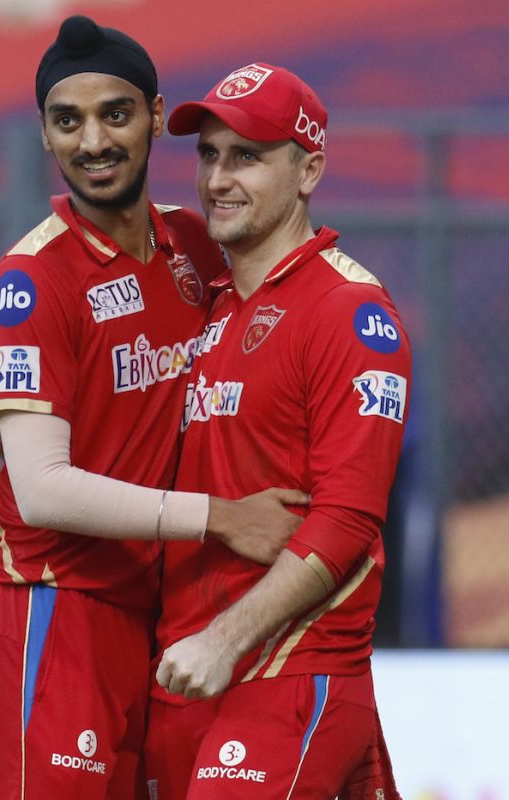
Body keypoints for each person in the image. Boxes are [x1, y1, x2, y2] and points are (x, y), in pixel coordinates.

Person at [0, 18, 306, 800]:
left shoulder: (195, 244)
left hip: (152, 620)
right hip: (50, 610)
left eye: (115, 113)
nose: (93, 140)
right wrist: (221, 516)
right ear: (44, 135)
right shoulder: (32, 277)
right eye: (67, 121)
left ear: (154, 114)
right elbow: (43, 491)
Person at [143, 64, 411, 799]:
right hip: (187, 672)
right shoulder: (206, 305)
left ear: (309, 170)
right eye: (208, 154)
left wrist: (225, 639)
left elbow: (349, 518)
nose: (219, 179)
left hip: (287, 669)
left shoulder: (351, 313)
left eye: (249, 156)